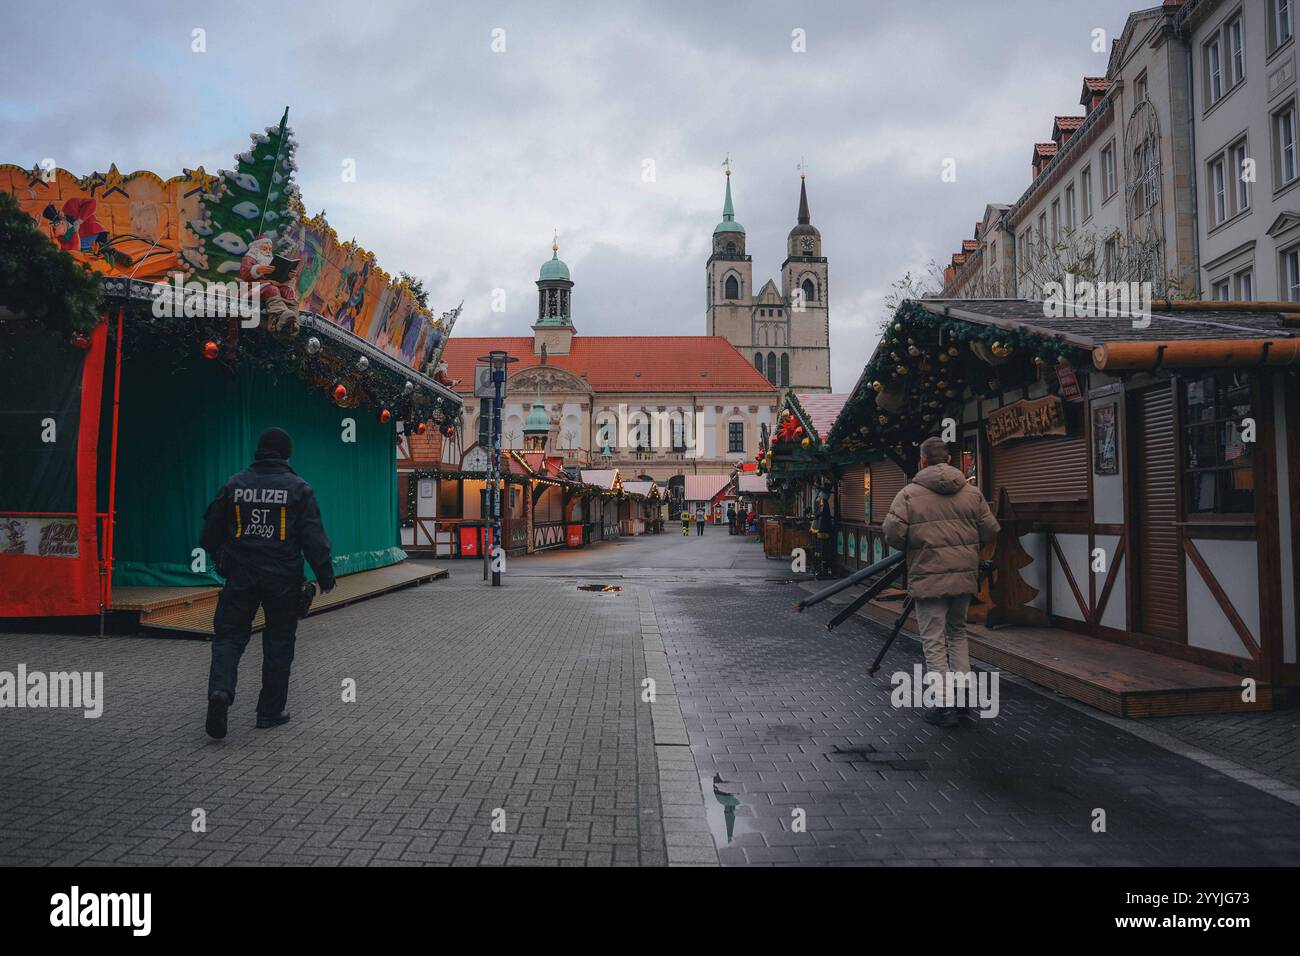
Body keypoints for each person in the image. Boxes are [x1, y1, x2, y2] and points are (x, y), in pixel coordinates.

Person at [199, 427, 335, 739]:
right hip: (283, 578)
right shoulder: (299, 489)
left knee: (229, 637)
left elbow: (209, 534)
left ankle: (220, 692)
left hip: (240, 575)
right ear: (287, 454)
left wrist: (223, 558)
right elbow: (313, 537)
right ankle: (269, 712)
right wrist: (325, 575)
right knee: (278, 642)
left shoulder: (234, 485)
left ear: (259, 452)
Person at [882, 436, 999, 728]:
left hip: (928, 575)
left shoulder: (909, 494)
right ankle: (962, 702)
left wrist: (916, 543)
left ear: (922, 461)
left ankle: (942, 702)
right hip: (963, 576)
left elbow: (892, 534)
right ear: (949, 460)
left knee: (933, 640)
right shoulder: (972, 493)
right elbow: (991, 530)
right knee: (957, 635)